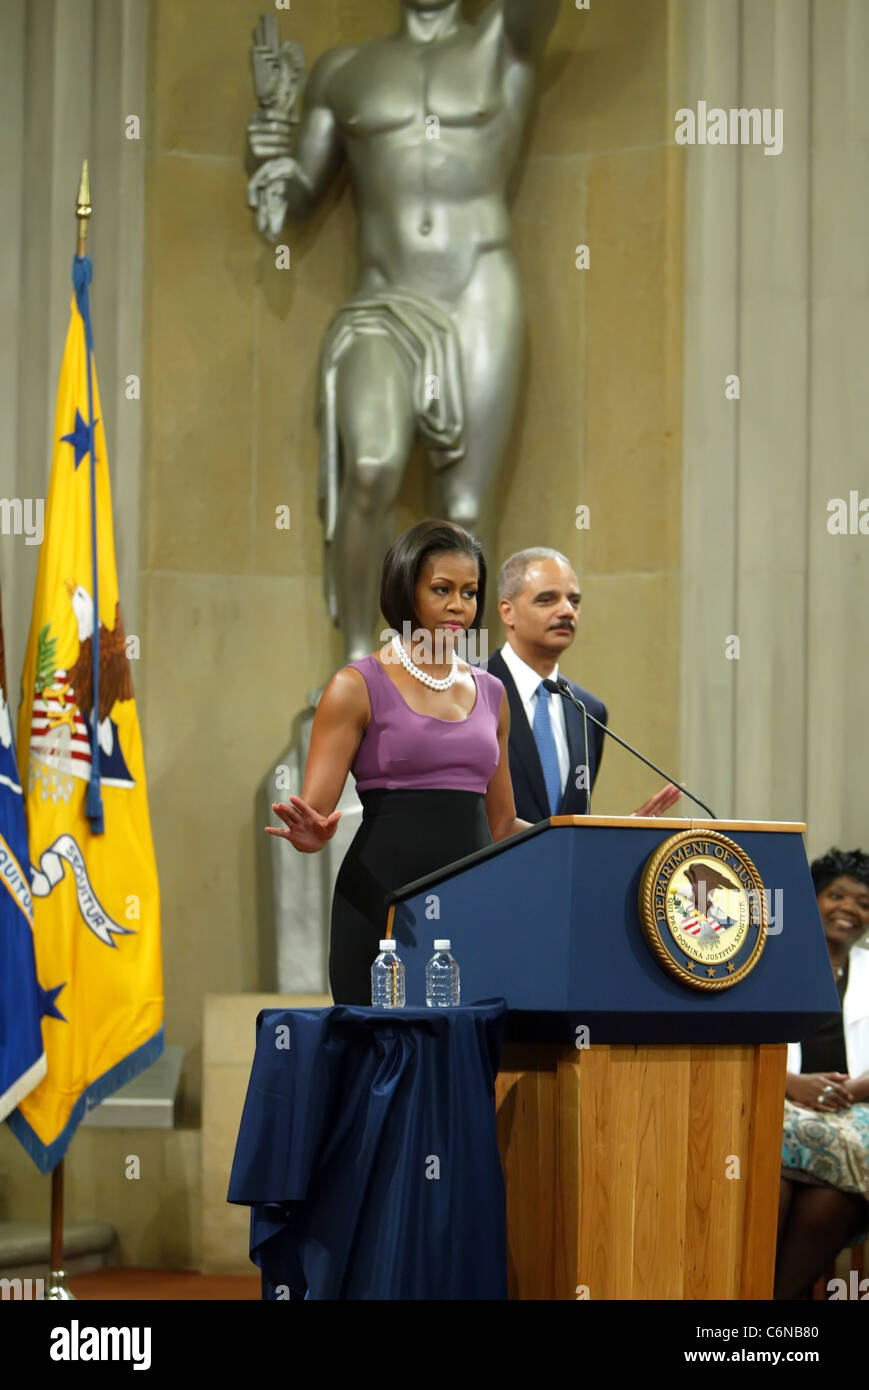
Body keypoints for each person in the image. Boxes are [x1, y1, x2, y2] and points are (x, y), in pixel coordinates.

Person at [265, 520, 531, 1004]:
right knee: (380, 1065)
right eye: (441, 589)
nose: (458, 606)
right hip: (381, 906)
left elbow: (504, 823)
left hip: (471, 907)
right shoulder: (355, 685)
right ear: (406, 590)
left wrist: (581, 835)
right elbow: (314, 816)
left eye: (469, 592)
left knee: (463, 1062)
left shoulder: (493, 692)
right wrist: (310, 836)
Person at [485, 548, 682, 822]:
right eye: (547, 599)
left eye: (574, 601)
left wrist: (617, 833)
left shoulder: (588, 711)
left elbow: (571, 822)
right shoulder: (474, 690)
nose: (566, 611)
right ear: (508, 612)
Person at [774, 848, 869, 1299]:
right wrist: (792, 1085)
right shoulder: (770, 957)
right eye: (837, 895)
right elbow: (737, 1040)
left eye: (864, 903)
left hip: (855, 1109)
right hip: (778, 1101)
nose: (850, 909)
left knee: (840, 1178)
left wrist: (852, 1089)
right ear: (811, 899)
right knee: (768, 1172)